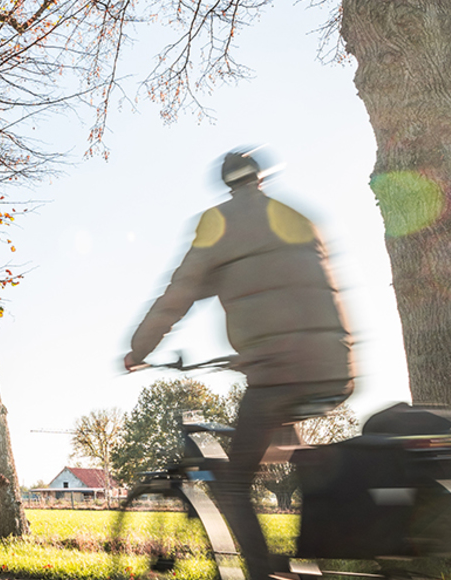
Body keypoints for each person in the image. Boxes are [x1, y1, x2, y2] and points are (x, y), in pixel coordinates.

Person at [123, 149, 355, 580]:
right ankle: (310, 563)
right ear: (261, 177)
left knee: (232, 483)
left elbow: (181, 292)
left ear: (227, 183)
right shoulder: (296, 216)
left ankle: (264, 573)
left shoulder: (219, 223)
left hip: (276, 373)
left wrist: (140, 349)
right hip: (334, 366)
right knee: (294, 453)